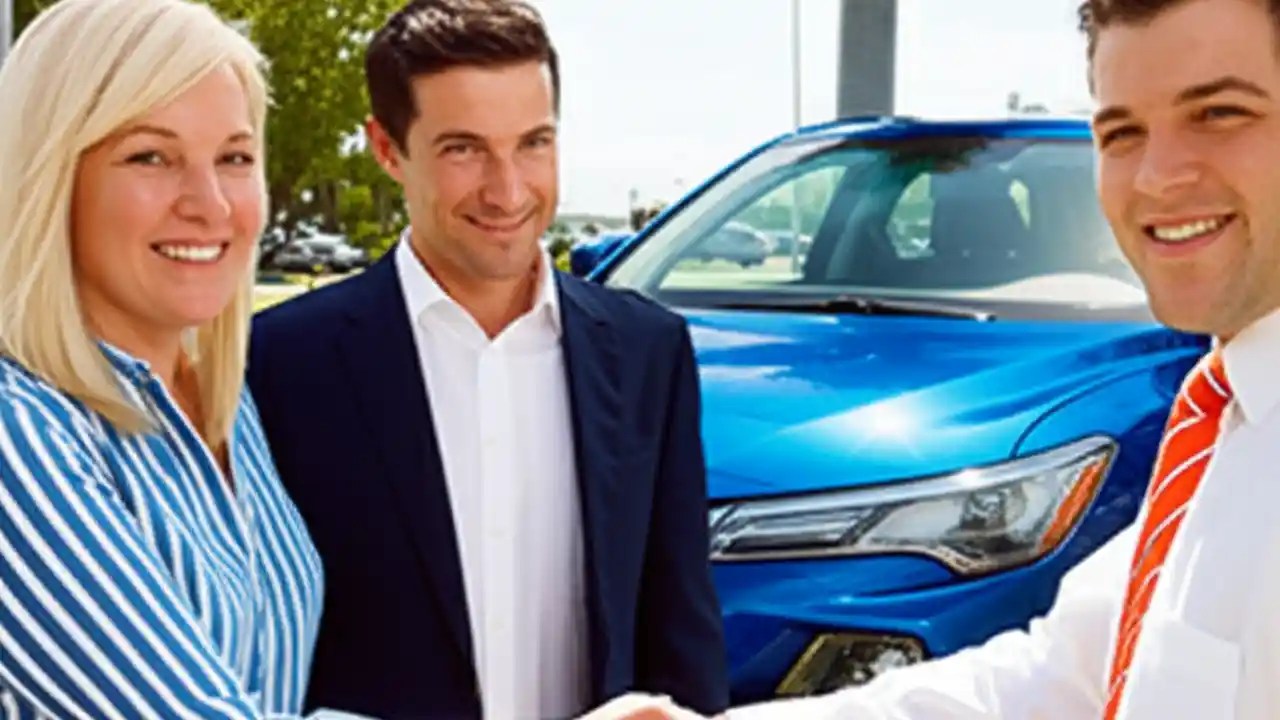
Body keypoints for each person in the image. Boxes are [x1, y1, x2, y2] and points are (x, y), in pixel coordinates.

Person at [587, 0, 1280, 718]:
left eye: (1220, 114)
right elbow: (1062, 678)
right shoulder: (1226, 422)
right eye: (1121, 131)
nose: (1155, 178)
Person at [245, 0, 729, 718]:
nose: (508, 190)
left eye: (533, 143)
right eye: (463, 149)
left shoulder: (648, 353)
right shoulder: (282, 365)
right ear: (387, 149)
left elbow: (680, 634)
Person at [0, 0, 328, 718]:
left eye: (235, 158)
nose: (211, 204)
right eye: (151, 156)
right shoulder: (19, 436)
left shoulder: (220, 400)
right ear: (51, 180)